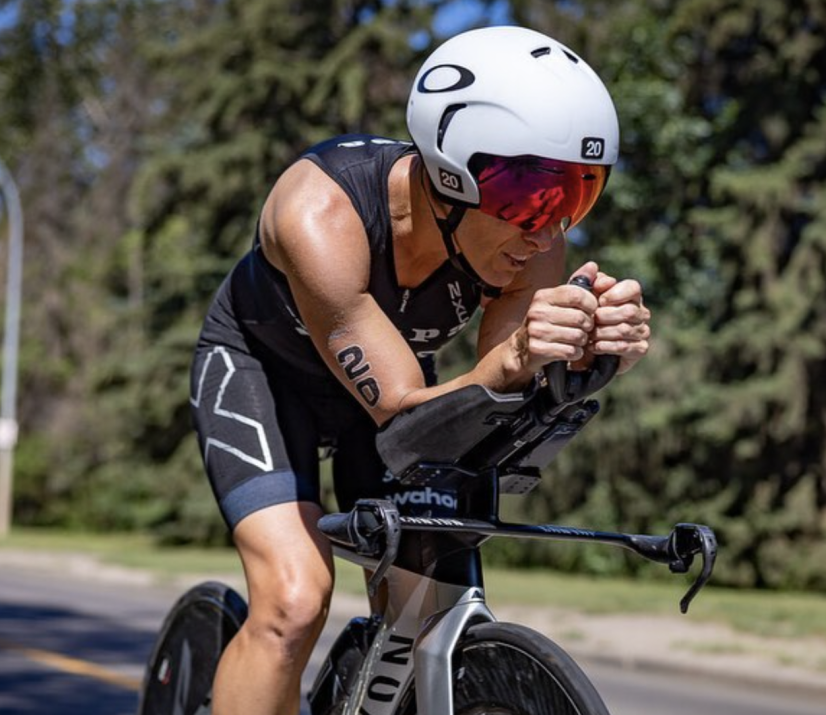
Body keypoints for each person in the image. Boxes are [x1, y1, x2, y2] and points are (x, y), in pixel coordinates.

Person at [188, 25, 651, 715]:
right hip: (267, 374)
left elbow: (504, 386)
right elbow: (403, 410)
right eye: (530, 192)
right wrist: (519, 355)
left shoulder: (533, 243)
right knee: (293, 600)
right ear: (451, 172)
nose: (549, 229)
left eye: (579, 192)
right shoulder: (319, 212)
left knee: (425, 606)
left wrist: (585, 348)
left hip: (397, 386)